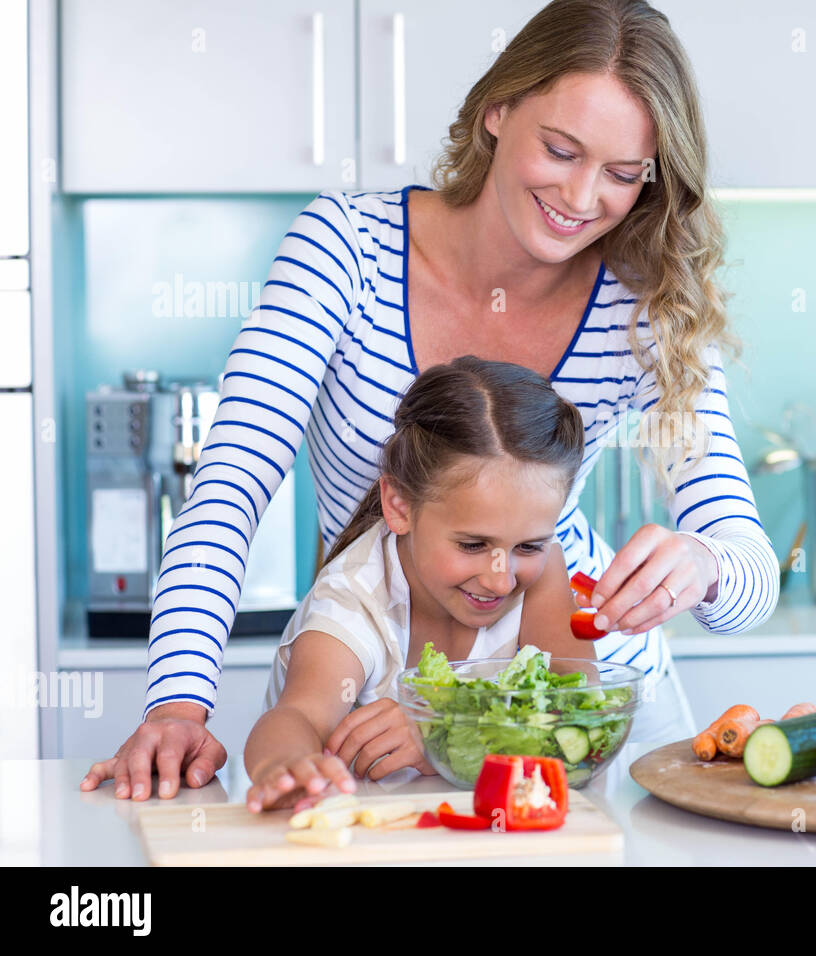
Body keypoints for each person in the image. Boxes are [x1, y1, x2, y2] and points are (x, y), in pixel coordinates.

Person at [81, 0, 779, 801]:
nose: (584, 197)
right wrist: (178, 703)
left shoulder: (646, 306)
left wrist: (705, 565)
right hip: (384, 692)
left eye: (623, 175)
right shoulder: (345, 251)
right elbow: (228, 492)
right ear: (496, 109)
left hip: (582, 710)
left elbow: (748, 569)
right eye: (560, 149)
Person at [243, 356, 596, 812]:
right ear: (400, 506)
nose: (501, 577)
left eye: (528, 546)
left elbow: (583, 711)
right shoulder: (355, 596)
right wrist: (287, 768)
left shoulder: (543, 573)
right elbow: (296, 716)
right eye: (472, 545)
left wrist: (448, 732)